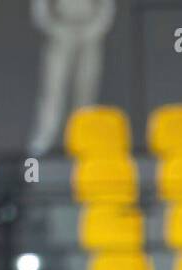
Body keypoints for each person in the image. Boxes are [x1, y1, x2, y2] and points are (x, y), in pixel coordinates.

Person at [27, 0, 117, 155]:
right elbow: (40, 6)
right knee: (54, 90)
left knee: (86, 91)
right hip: (61, 31)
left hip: (89, 33)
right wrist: (53, 27)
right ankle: (44, 139)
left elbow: (106, 6)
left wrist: (95, 28)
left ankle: (82, 138)